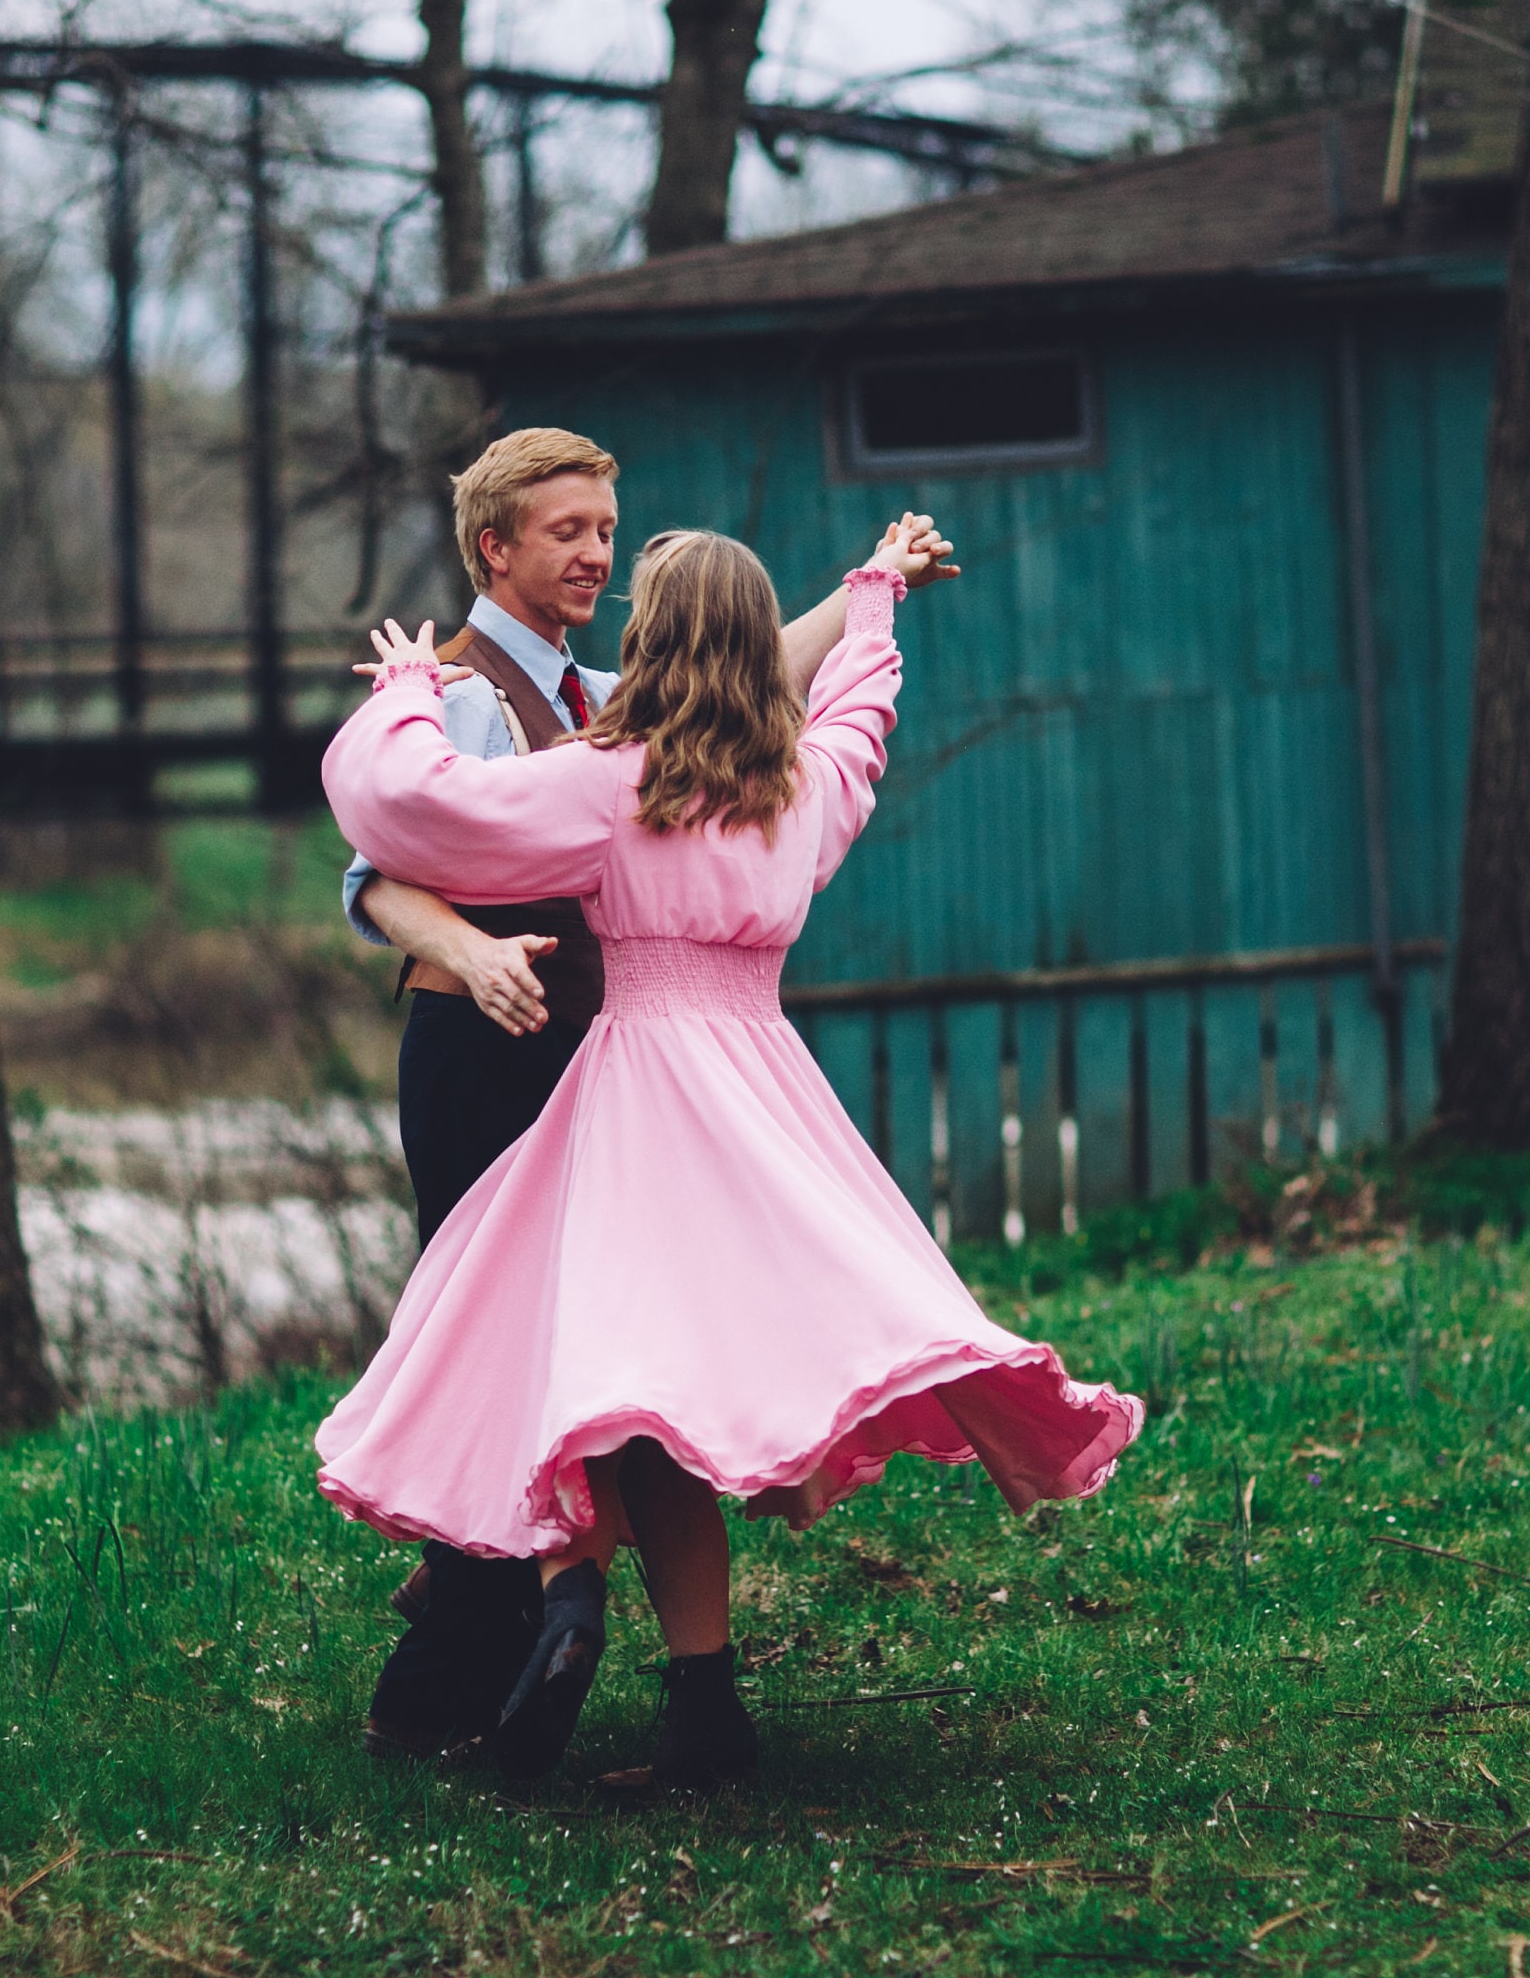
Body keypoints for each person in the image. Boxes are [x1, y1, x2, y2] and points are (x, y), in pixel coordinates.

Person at [316, 522, 1143, 1787]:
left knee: (565, 1349)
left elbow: (424, 806)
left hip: (636, 1092)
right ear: (761, 650)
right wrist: (874, 601)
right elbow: (861, 719)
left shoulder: (609, 781)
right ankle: (705, 1709)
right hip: (760, 1097)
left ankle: (570, 1595)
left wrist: (409, 689)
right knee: (677, 1386)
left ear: (648, 641)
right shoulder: (797, 787)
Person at [342, 427, 957, 1761]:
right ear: (493, 547)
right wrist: (469, 949)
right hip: (505, 1054)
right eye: (568, 531)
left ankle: (542, 1605)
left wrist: (866, 587)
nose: (594, 554)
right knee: (535, 1343)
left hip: (610, 1068)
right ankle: (544, 1631)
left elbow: (739, 669)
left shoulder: (614, 728)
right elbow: (380, 866)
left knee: (574, 1349)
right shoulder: (478, 693)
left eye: (607, 534)